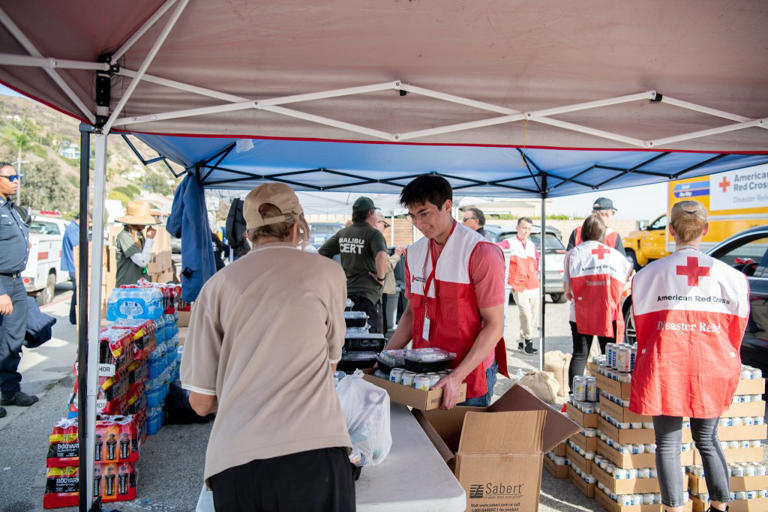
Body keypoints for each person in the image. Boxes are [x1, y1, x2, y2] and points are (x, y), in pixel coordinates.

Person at [181, 183, 353, 512]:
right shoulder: (328, 274)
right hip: (317, 453)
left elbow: (200, 402)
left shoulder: (217, 286)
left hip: (238, 460)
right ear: (295, 227)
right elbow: (330, 365)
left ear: (248, 233)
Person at [630, 200, 749, 512]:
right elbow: (737, 330)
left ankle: (673, 508)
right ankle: (721, 506)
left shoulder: (648, 274)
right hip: (712, 365)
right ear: (706, 230)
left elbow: (641, 326)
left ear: (671, 230)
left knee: (667, 444)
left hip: (665, 364)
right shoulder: (733, 277)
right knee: (708, 439)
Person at [383, 175, 508, 409]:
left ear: (447, 207)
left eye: (424, 213)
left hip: (469, 370)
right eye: (412, 216)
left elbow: (495, 325)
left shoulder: (481, 253)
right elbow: (411, 314)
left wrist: (457, 376)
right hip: (426, 373)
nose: (418, 224)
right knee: (427, 441)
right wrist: (384, 359)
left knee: (459, 442)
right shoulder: (414, 253)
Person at [563, 214, 631, 387]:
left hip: (580, 313)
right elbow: (624, 286)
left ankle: (574, 397)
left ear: (583, 233)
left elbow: (567, 291)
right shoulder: (616, 256)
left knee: (579, 355)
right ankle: (609, 395)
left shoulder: (572, 255)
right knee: (610, 357)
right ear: (603, 234)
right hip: (608, 313)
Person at [319, 197, 388, 333]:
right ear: (370, 213)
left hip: (346, 297)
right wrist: (381, 278)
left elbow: (321, 253)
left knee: (348, 337)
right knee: (368, 339)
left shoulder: (343, 233)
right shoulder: (374, 234)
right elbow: (381, 256)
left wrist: (336, 275)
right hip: (368, 296)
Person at [0, 162, 36, 418]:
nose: (16, 180)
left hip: (16, 281)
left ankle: (10, 390)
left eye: (17, 176)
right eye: (10, 176)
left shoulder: (12, 209)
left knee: (13, 340)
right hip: (2, 282)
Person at [497, 217, 540, 354]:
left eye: (529, 229)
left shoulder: (532, 245)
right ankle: (528, 341)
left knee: (532, 316)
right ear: (517, 228)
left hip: (533, 283)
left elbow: (536, 262)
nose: (526, 231)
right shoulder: (509, 243)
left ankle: (522, 341)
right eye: (524, 228)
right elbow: (495, 249)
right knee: (525, 313)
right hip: (518, 285)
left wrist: (535, 273)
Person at [374, 211, 405, 332]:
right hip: (380, 289)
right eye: (384, 225)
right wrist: (397, 255)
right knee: (381, 325)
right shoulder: (376, 240)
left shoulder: (373, 239)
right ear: (377, 223)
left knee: (382, 323)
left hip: (380, 289)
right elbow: (384, 267)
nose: (385, 228)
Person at [114, 201, 158, 287]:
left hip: (138, 286)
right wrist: (149, 239)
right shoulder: (125, 236)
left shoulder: (139, 235)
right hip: (127, 288)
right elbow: (142, 262)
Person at [61, 213, 88, 325]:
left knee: (77, 291)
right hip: (74, 266)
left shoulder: (74, 228)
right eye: (89, 222)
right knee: (78, 292)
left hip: (74, 265)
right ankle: (74, 317)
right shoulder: (73, 229)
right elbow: (78, 246)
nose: (89, 225)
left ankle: (74, 316)